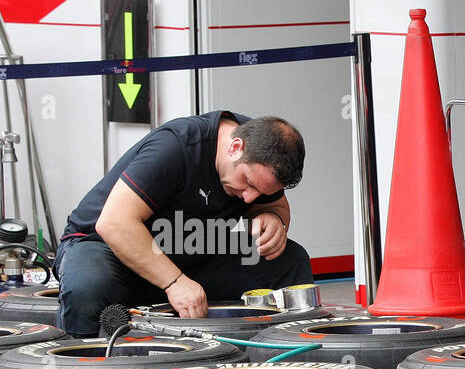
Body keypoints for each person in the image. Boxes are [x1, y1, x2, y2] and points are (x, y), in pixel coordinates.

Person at [54, 110, 313, 336]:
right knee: (89, 288)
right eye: (248, 183)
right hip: (105, 246)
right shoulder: (176, 147)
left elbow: (276, 205)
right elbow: (114, 223)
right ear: (235, 147)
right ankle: (83, 367)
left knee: (289, 260)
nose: (249, 197)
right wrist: (174, 283)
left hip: (188, 247)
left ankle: (275, 357)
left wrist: (273, 217)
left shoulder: (265, 153)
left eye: (261, 193)